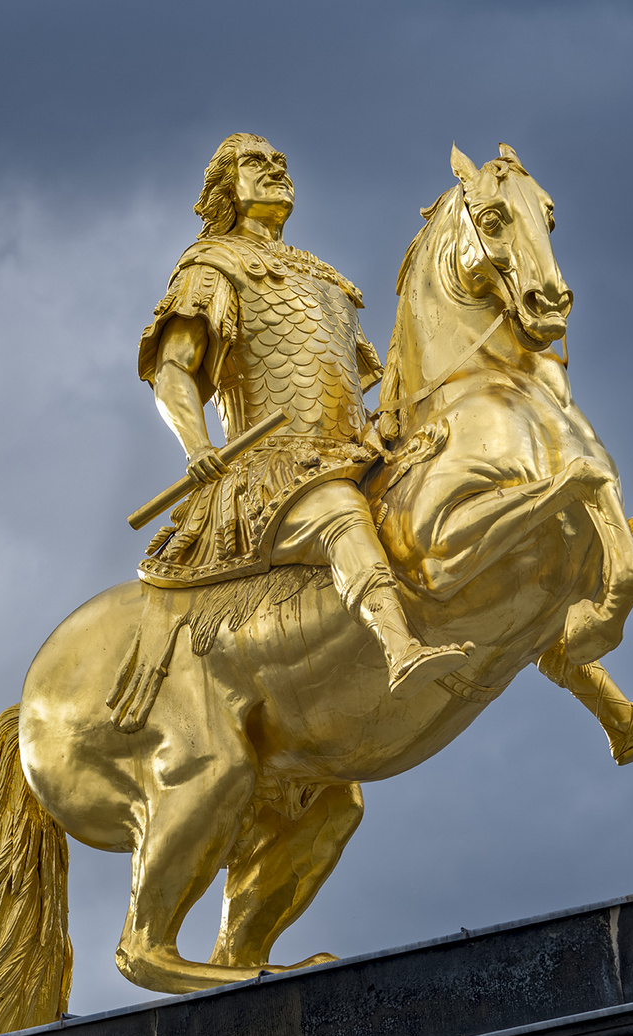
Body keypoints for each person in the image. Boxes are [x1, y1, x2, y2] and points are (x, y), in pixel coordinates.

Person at [135, 132, 471, 700]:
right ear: (227, 188)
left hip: (352, 451)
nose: (274, 170)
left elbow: (358, 384)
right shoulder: (214, 265)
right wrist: (197, 449)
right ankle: (400, 648)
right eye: (254, 163)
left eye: (279, 162)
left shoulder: (320, 275)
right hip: (272, 470)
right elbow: (172, 369)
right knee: (338, 513)